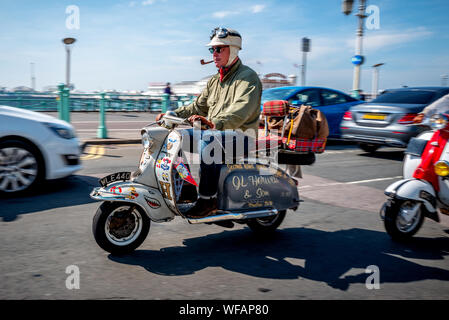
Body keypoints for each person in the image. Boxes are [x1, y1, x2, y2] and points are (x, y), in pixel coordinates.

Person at [156, 27, 262, 218]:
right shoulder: (215, 81)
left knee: (208, 142)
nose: (214, 54)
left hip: (242, 135)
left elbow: (240, 112)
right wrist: (171, 114)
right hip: (217, 132)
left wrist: (212, 123)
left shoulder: (248, 78)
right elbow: (196, 106)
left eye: (219, 49)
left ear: (234, 50)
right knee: (175, 137)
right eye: (212, 50)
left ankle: (208, 200)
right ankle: (186, 186)